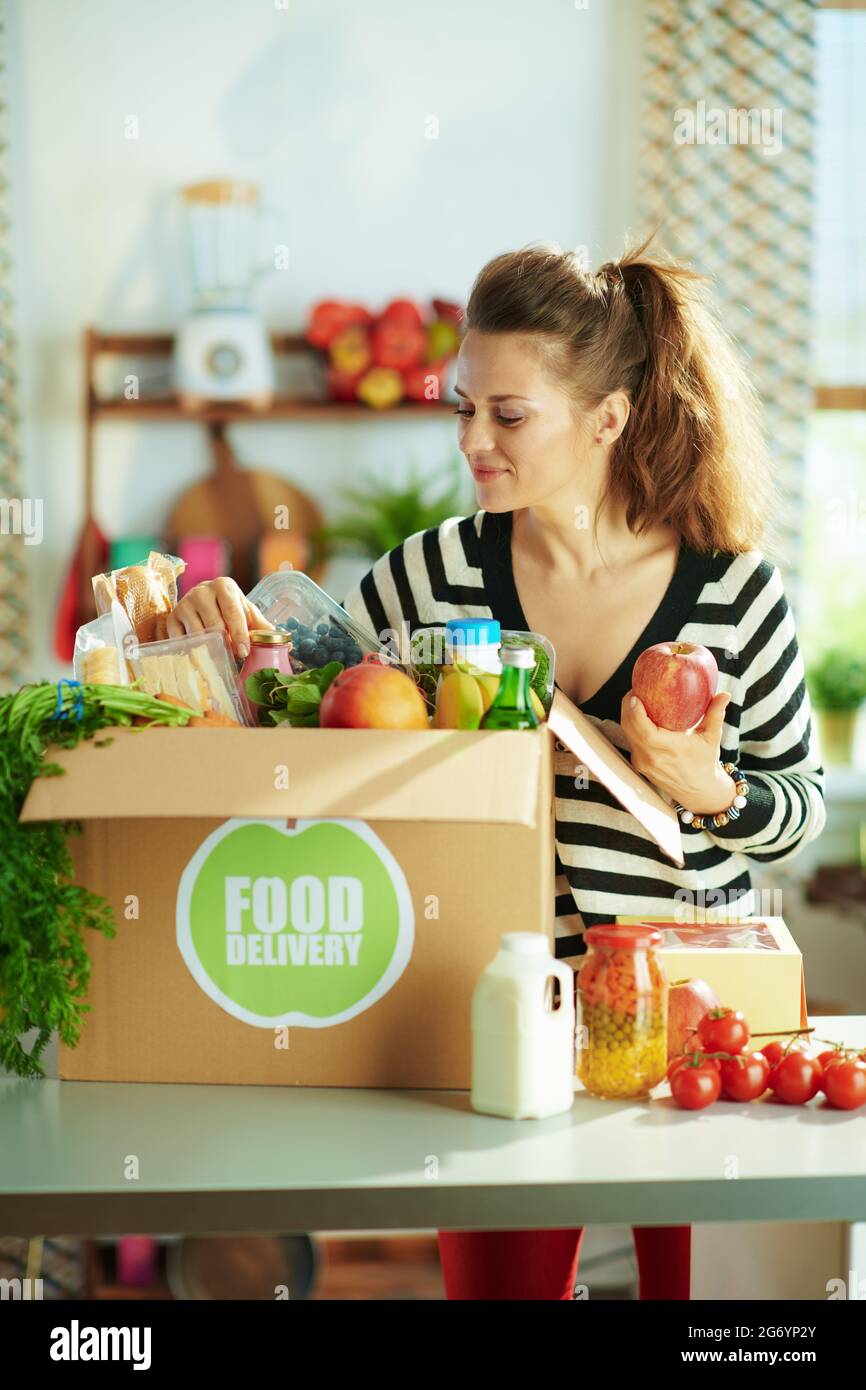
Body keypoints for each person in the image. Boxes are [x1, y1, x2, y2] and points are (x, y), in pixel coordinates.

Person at [168, 235, 826, 1300]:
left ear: (605, 418)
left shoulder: (732, 589)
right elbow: (296, 728)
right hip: (477, 1010)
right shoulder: (426, 574)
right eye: (461, 405)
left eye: (507, 414)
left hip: (675, 1034)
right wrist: (224, 639)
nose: (472, 438)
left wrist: (709, 787)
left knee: (688, 1310)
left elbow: (793, 809)